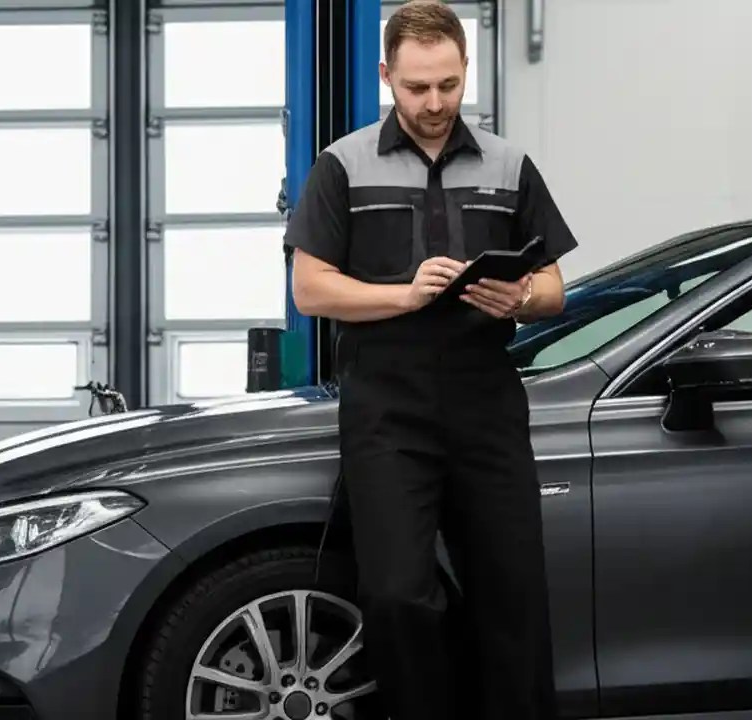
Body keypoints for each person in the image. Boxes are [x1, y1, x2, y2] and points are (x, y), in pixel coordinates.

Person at [283, 2, 579, 718]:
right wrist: (405, 295)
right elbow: (310, 288)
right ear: (387, 75)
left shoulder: (510, 165)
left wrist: (522, 296)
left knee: (513, 592)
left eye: (448, 83)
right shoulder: (342, 165)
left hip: (487, 402)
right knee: (395, 593)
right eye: (418, 87)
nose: (435, 103)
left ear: (464, 70)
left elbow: (557, 289)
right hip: (388, 408)